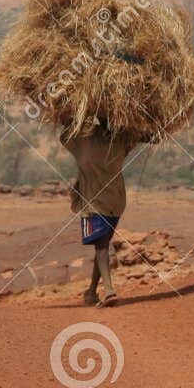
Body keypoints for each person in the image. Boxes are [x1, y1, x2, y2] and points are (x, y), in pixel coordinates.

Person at [61, 120, 135, 307]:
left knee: (101, 247)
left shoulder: (82, 141)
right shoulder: (120, 140)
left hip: (94, 202)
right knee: (102, 244)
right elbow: (148, 137)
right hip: (116, 201)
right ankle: (92, 292)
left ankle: (108, 290)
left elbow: (64, 132)